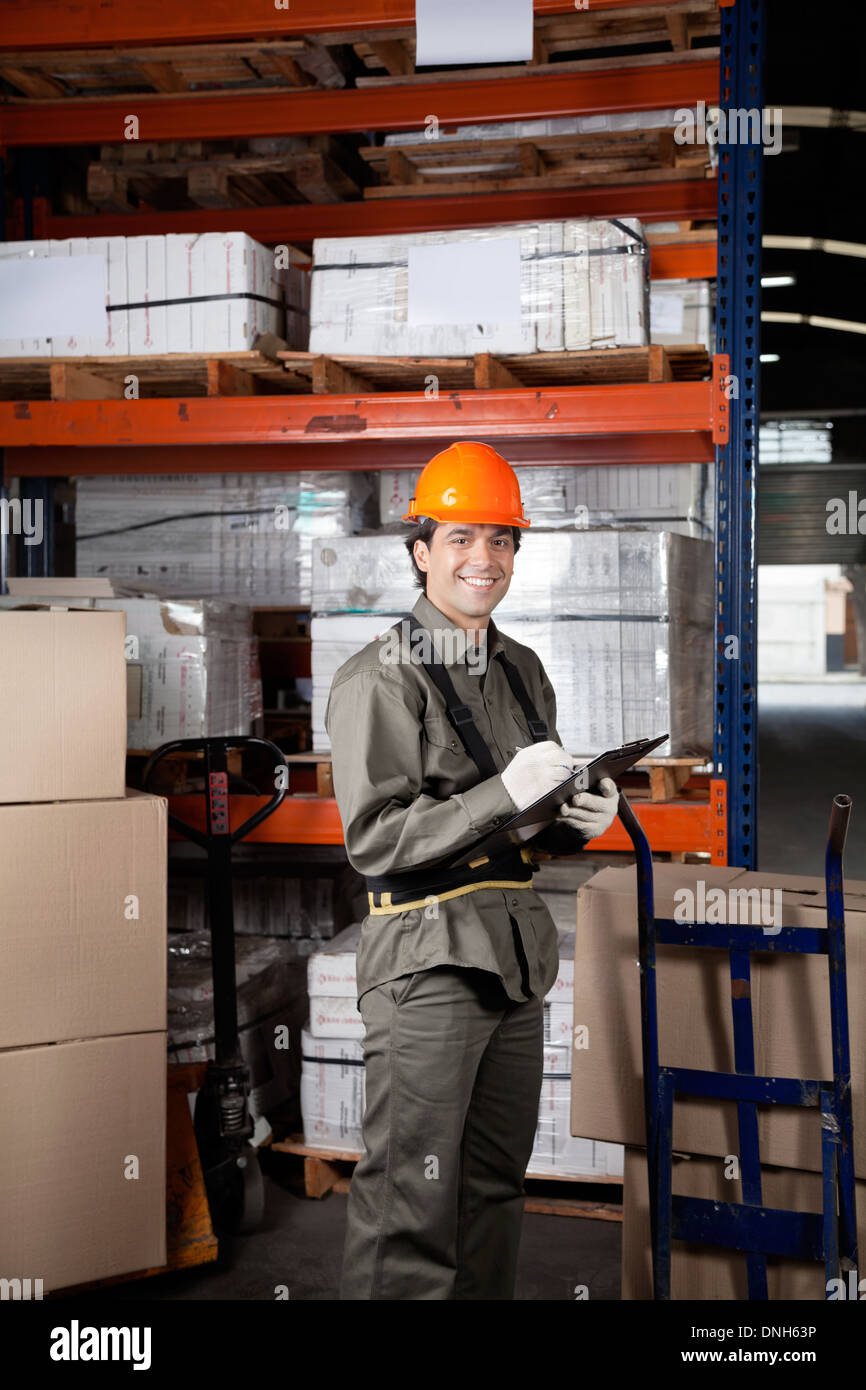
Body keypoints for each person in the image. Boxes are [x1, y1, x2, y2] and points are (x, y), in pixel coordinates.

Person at [325, 440, 619, 1300]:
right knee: (410, 1198)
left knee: (494, 1186)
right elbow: (376, 840)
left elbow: (519, 831)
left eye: (500, 539)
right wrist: (500, 792)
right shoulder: (379, 680)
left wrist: (573, 822)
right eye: (460, 538)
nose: (482, 559)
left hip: (514, 960)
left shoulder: (522, 670)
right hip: (428, 963)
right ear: (421, 553)